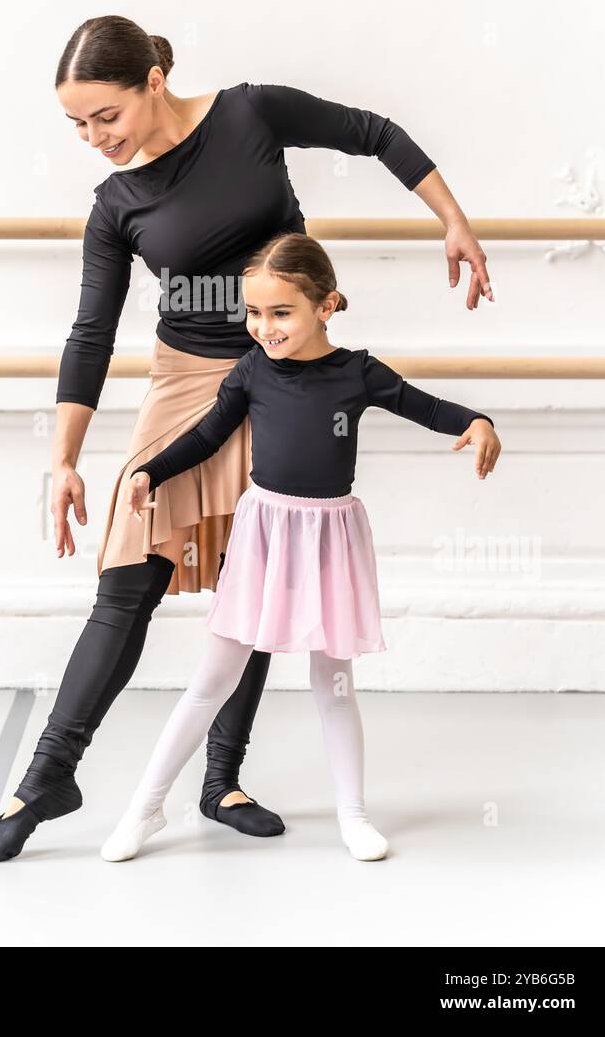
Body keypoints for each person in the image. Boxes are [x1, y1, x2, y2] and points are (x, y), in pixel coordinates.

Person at [0, 14, 494, 863]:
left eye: (103, 115)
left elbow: (375, 134)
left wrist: (453, 221)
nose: (92, 138)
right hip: (185, 383)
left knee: (252, 587)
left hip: (281, 378)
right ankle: (46, 777)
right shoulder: (116, 204)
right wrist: (64, 459)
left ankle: (222, 779)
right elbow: (90, 335)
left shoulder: (249, 114)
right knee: (126, 579)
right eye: (76, 125)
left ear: (151, 79)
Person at [99, 232, 501, 863]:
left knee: (333, 680)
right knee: (212, 678)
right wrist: (152, 469)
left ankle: (353, 814)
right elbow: (208, 436)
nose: (264, 327)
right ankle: (145, 808)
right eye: (254, 313)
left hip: (330, 535)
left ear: (327, 305)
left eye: (280, 312)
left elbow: (423, 406)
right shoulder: (252, 370)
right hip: (263, 531)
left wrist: (477, 421)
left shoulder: (357, 373)